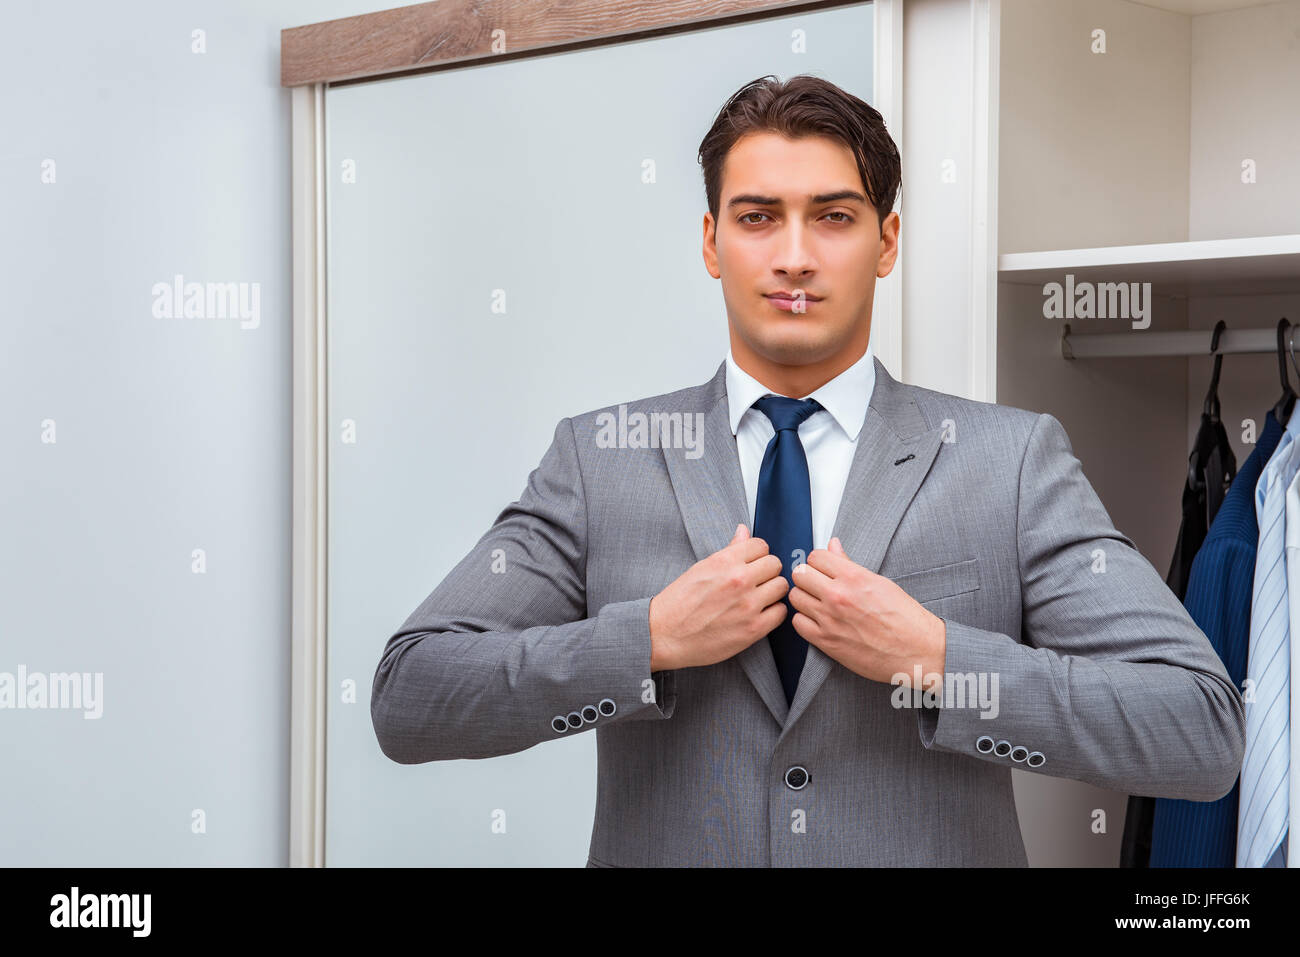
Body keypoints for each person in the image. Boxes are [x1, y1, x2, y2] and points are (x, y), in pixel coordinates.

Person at [370, 74, 1244, 867]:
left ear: (886, 240)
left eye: (833, 215)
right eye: (757, 218)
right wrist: (645, 641)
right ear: (712, 242)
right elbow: (411, 698)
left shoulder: (1010, 462)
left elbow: (1198, 732)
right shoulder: (601, 460)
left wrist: (939, 659)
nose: (794, 255)